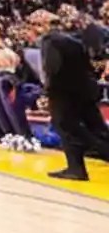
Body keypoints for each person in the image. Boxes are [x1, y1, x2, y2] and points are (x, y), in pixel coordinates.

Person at [33, 11, 109, 181]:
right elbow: (89, 65)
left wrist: (47, 92)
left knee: (68, 129)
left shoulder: (49, 41)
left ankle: (77, 168)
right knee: (98, 127)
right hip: (85, 90)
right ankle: (77, 167)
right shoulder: (74, 40)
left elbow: (52, 69)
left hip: (63, 93)